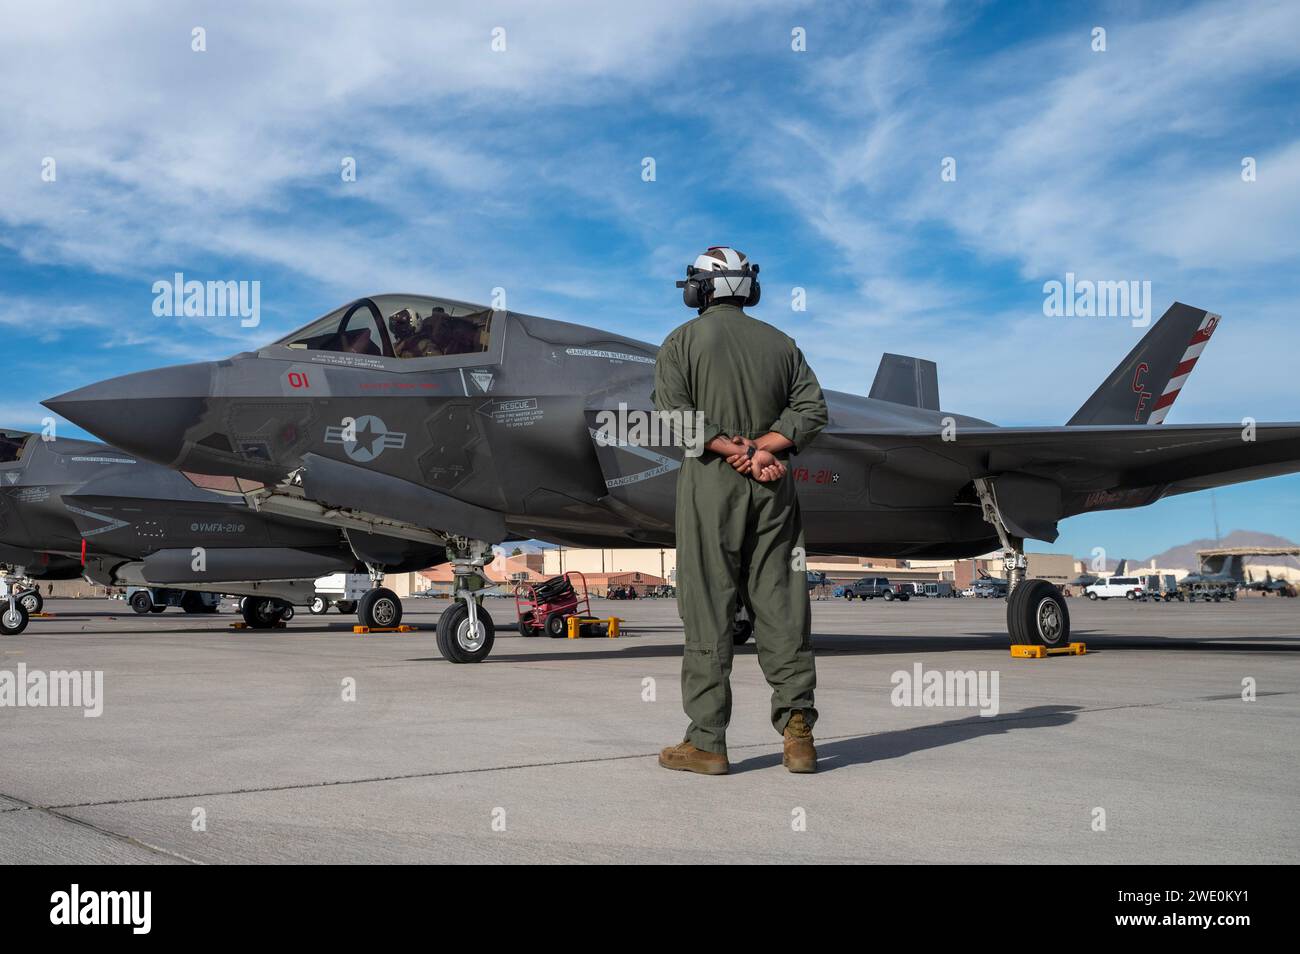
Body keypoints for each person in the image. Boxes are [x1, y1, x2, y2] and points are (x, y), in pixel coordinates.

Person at [652, 246, 828, 775]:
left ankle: (707, 742)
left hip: (711, 484)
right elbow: (812, 411)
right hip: (774, 487)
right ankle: (798, 734)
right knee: (781, 601)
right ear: (746, 287)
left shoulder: (681, 342)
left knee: (708, 604)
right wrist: (766, 449)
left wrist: (734, 452)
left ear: (702, 289)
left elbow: (675, 416)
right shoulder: (781, 344)